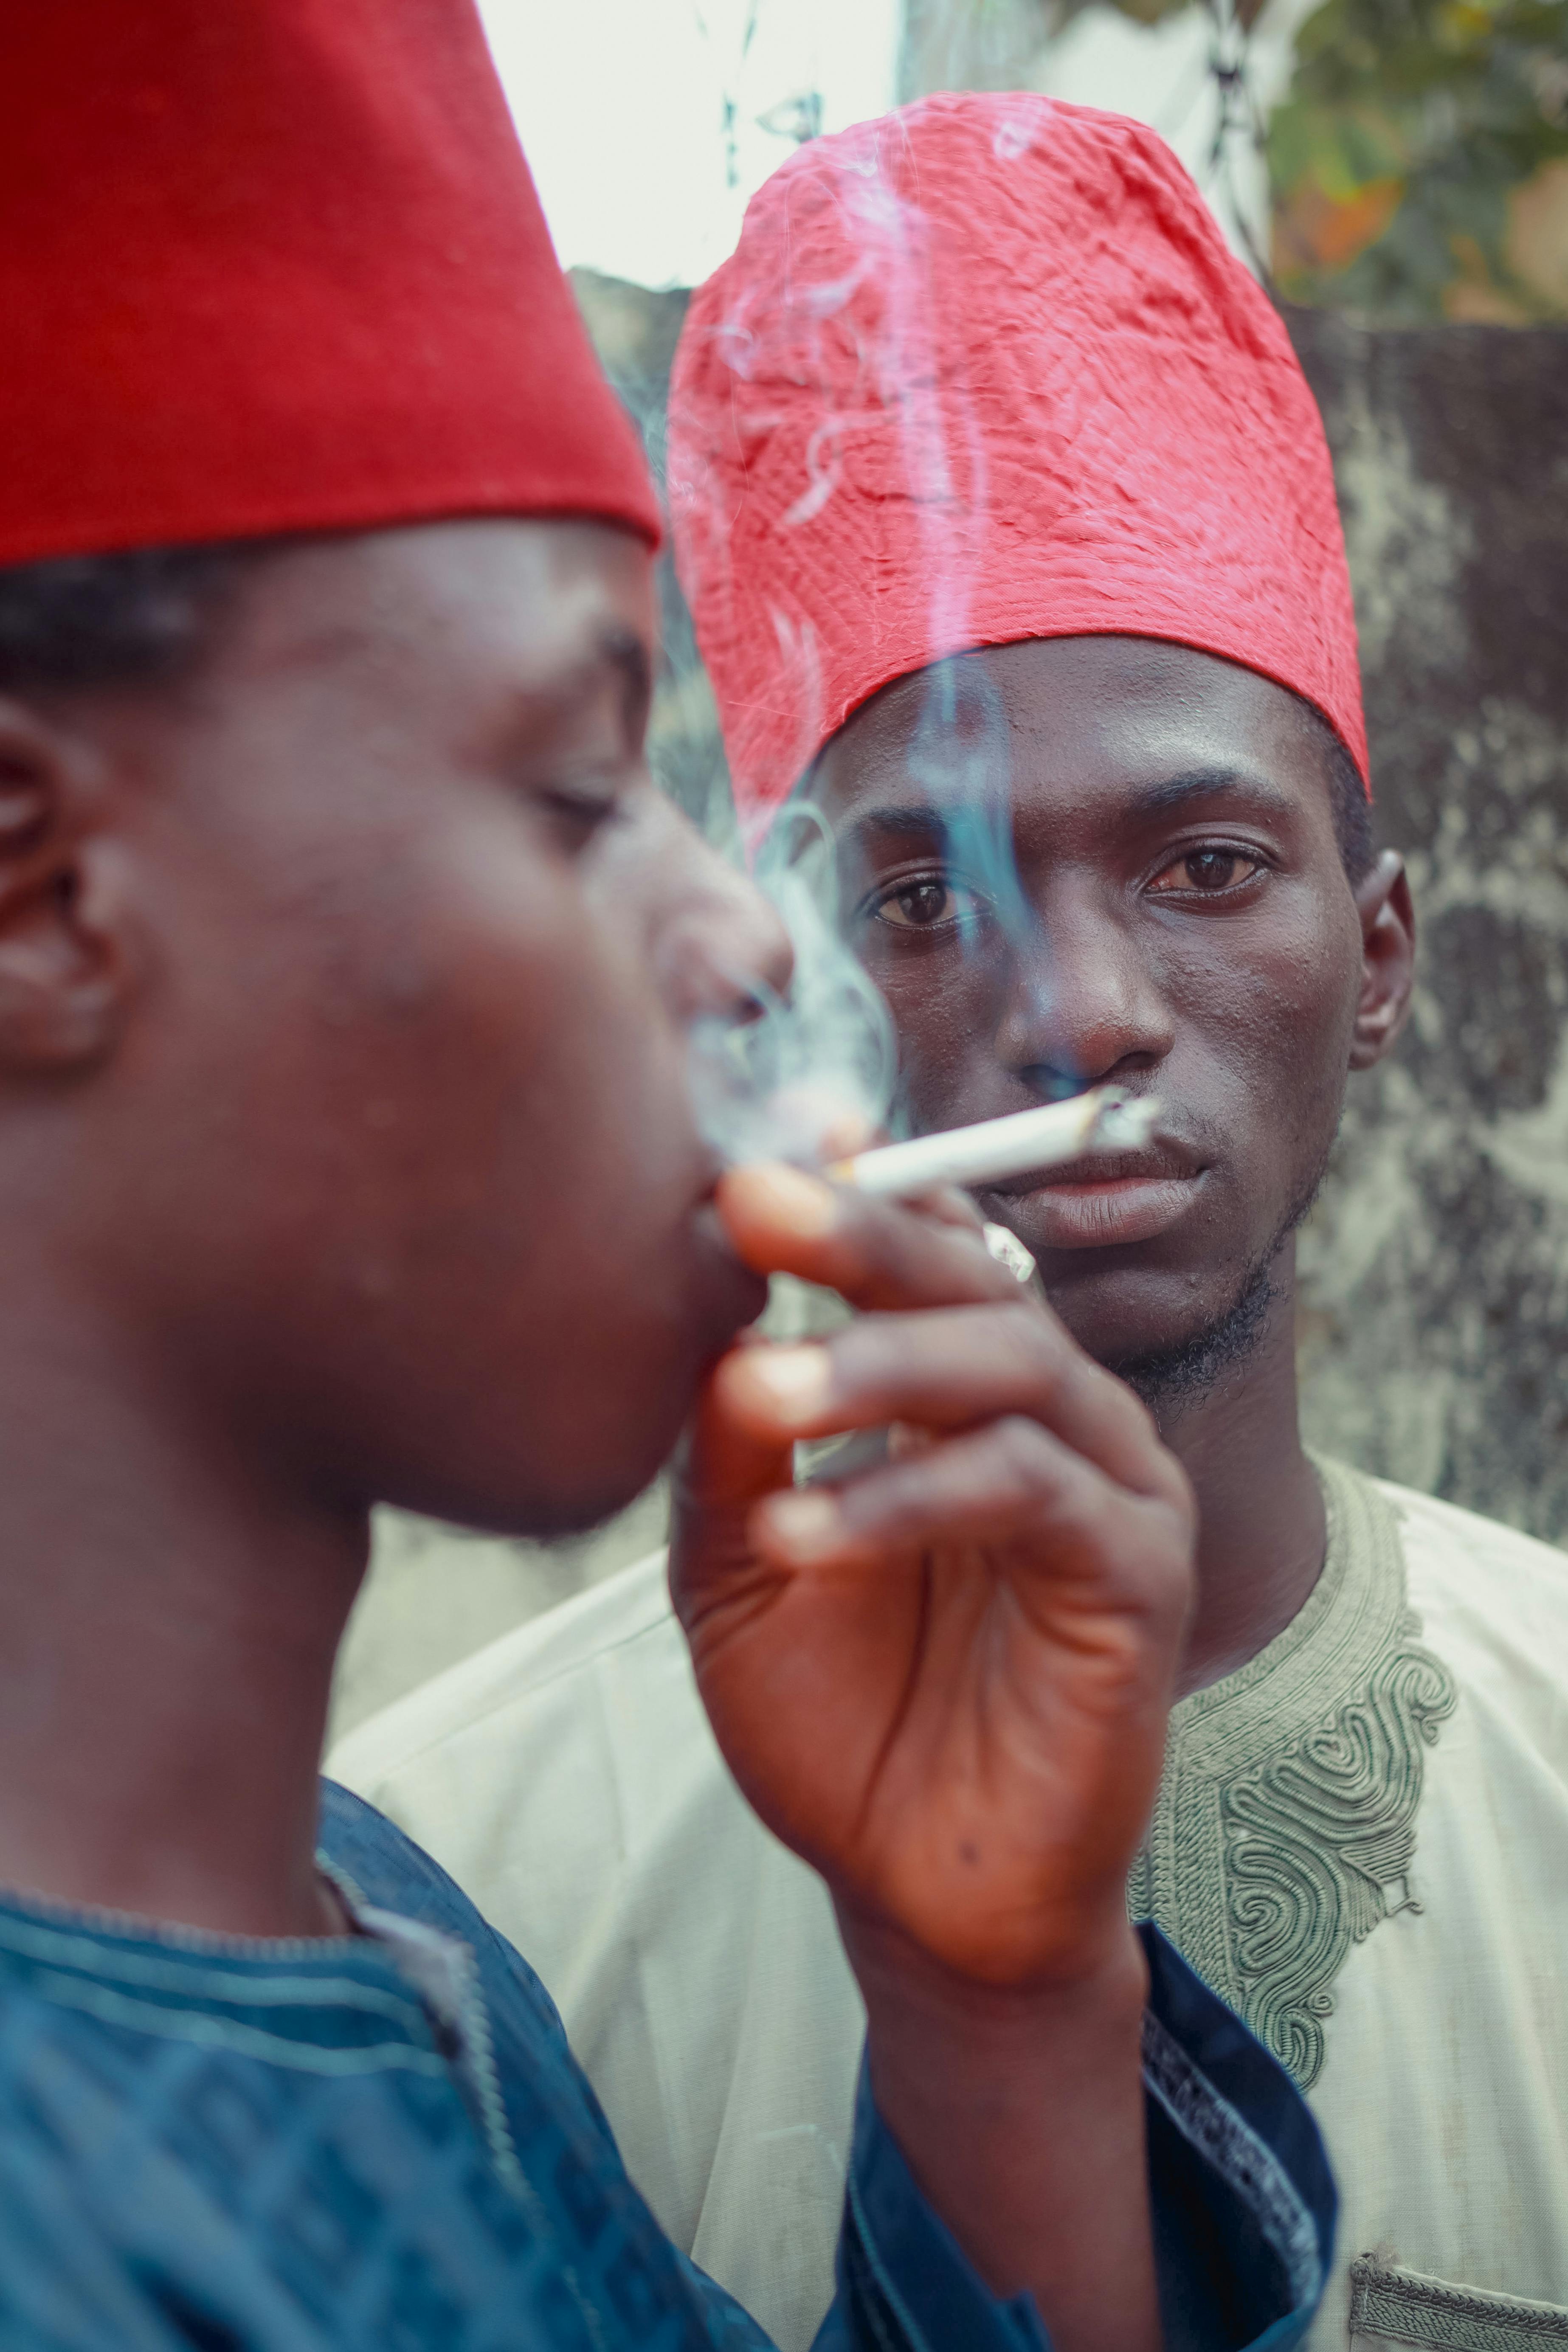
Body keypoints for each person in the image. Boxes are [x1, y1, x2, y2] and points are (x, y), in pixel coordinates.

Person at [0, 15, 1334, 2352]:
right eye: (578, 785)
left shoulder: (414, 1986)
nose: (746, 938)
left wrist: (995, 2013)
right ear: (34, 897)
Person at [332, 91, 1568, 2352]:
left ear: (1379, 959)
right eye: (923, 893)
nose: (1078, 1011)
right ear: (783, 975)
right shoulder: (430, 1916)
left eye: (1207, 865)